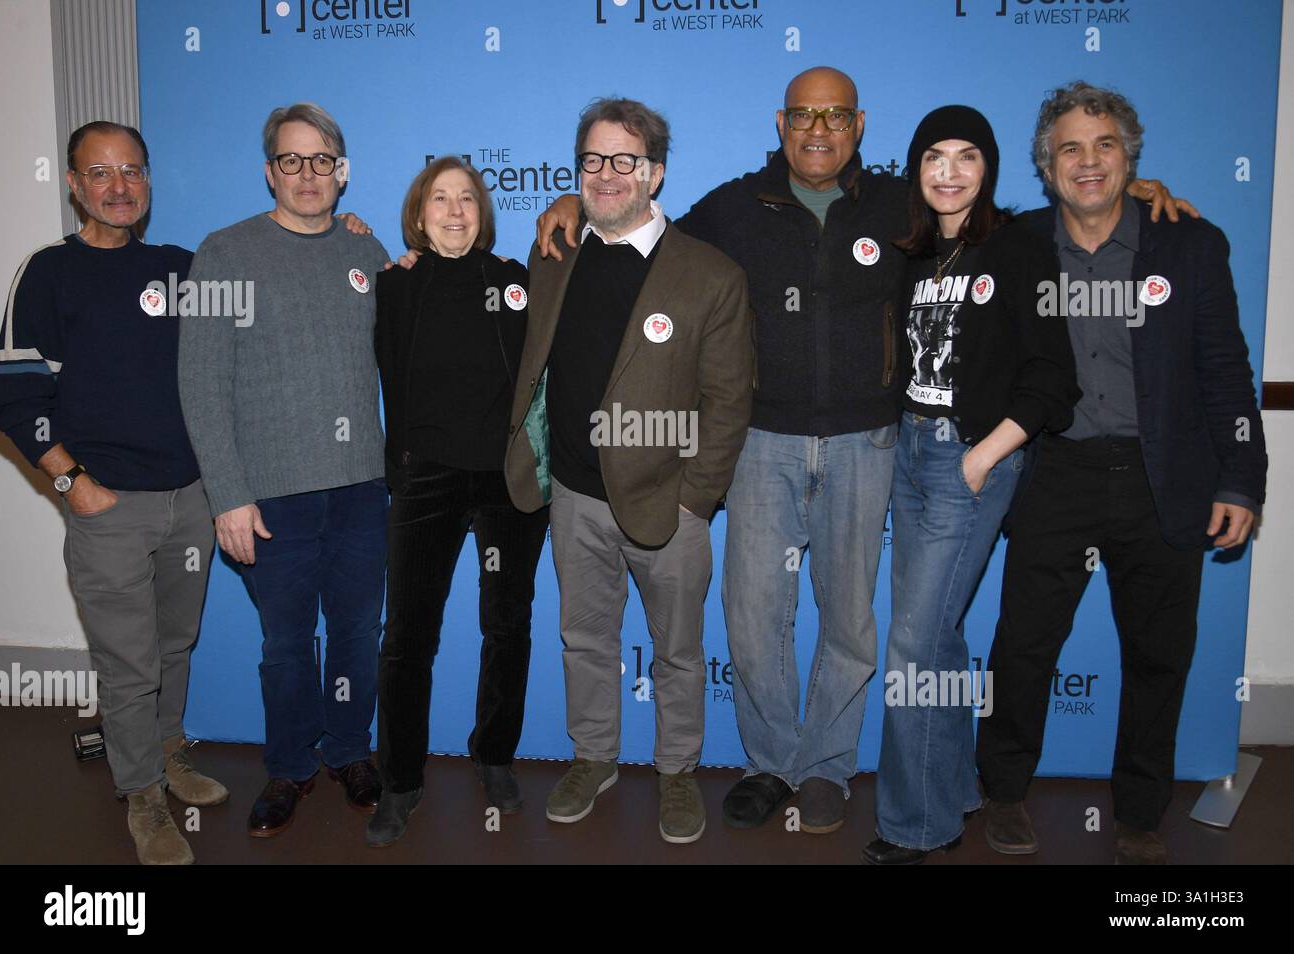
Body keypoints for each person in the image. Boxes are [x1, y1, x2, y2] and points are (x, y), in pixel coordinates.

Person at [537, 68, 1190, 835]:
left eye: (836, 116)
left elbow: (999, 229)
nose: (820, 129)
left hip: (870, 443)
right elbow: (643, 228)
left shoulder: (899, 204)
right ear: (780, 123)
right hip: (759, 443)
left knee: (849, 620)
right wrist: (567, 205)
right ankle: (771, 762)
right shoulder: (731, 209)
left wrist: (1129, 196)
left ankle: (826, 768)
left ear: (860, 124)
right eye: (805, 115)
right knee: (752, 618)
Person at [975, 82, 1268, 865]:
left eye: (1105, 143)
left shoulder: (1190, 246)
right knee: (1023, 646)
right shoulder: (1018, 246)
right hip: (1054, 474)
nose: (1089, 160)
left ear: (1130, 154)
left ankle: (1140, 813)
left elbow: (1226, 372)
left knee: (1159, 653)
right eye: (1070, 147)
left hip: (1162, 476)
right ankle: (1002, 792)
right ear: (1047, 165)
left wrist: (1241, 477)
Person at [508, 97, 754, 844]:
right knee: (586, 642)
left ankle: (678, 772)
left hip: (667, 505)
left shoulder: (710, 274)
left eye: (625, 160)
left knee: (679, 652)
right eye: (592, 160)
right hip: (574, 499)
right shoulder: (555, 254)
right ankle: (594, 757)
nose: (607, 175)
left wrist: (696, 502)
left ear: (656, 173)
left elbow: (728, 398)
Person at [0, 121, 227, 865]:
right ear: (73, 183)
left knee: (173, 645)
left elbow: (263, 313)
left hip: (190, 499)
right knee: (127, 660)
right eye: (101, 174)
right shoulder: (47, 272)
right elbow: (11, 392)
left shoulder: (182, 268)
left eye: (132, 172)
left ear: (148, 181)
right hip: (107, 507)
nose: (119, 187)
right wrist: (70, 479)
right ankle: (142, 795)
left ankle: (166, 755)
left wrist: (346, 232)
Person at [862, 106, 1079, 865]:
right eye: (933, 157)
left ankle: (915, 827)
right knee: (941, 639)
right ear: (916, 171)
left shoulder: (1018, 247)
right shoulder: (916, 253)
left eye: (966, 157)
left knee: (913, 645)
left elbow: (1055, 376)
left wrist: (985, 455)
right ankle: (952, 786)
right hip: (909, 455)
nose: (949, 171)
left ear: (988, 169)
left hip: (970, 460)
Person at [178, 102, 391, 837]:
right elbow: (200, 383)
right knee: (287, 644)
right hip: (270, 496)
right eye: (292, 160)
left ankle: (351, 750)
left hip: (363, 485)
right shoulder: (223, 252)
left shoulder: (366, 254)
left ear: (342, 171)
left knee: (360, 633)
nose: (308, 174)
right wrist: (228, 495)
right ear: (270, 169)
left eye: (322, 160)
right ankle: (291, 764)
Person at [365, 158, 549, 847]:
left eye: (466, 198)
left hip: (507, 481)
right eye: (439, 198)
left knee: (508, 624)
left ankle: (494, 754)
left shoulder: (512, 281)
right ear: (419, 213)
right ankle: (401, 779)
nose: (454, 210)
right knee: (408, 636)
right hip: (427, 479)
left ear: (482, 211)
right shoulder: (393, 285)